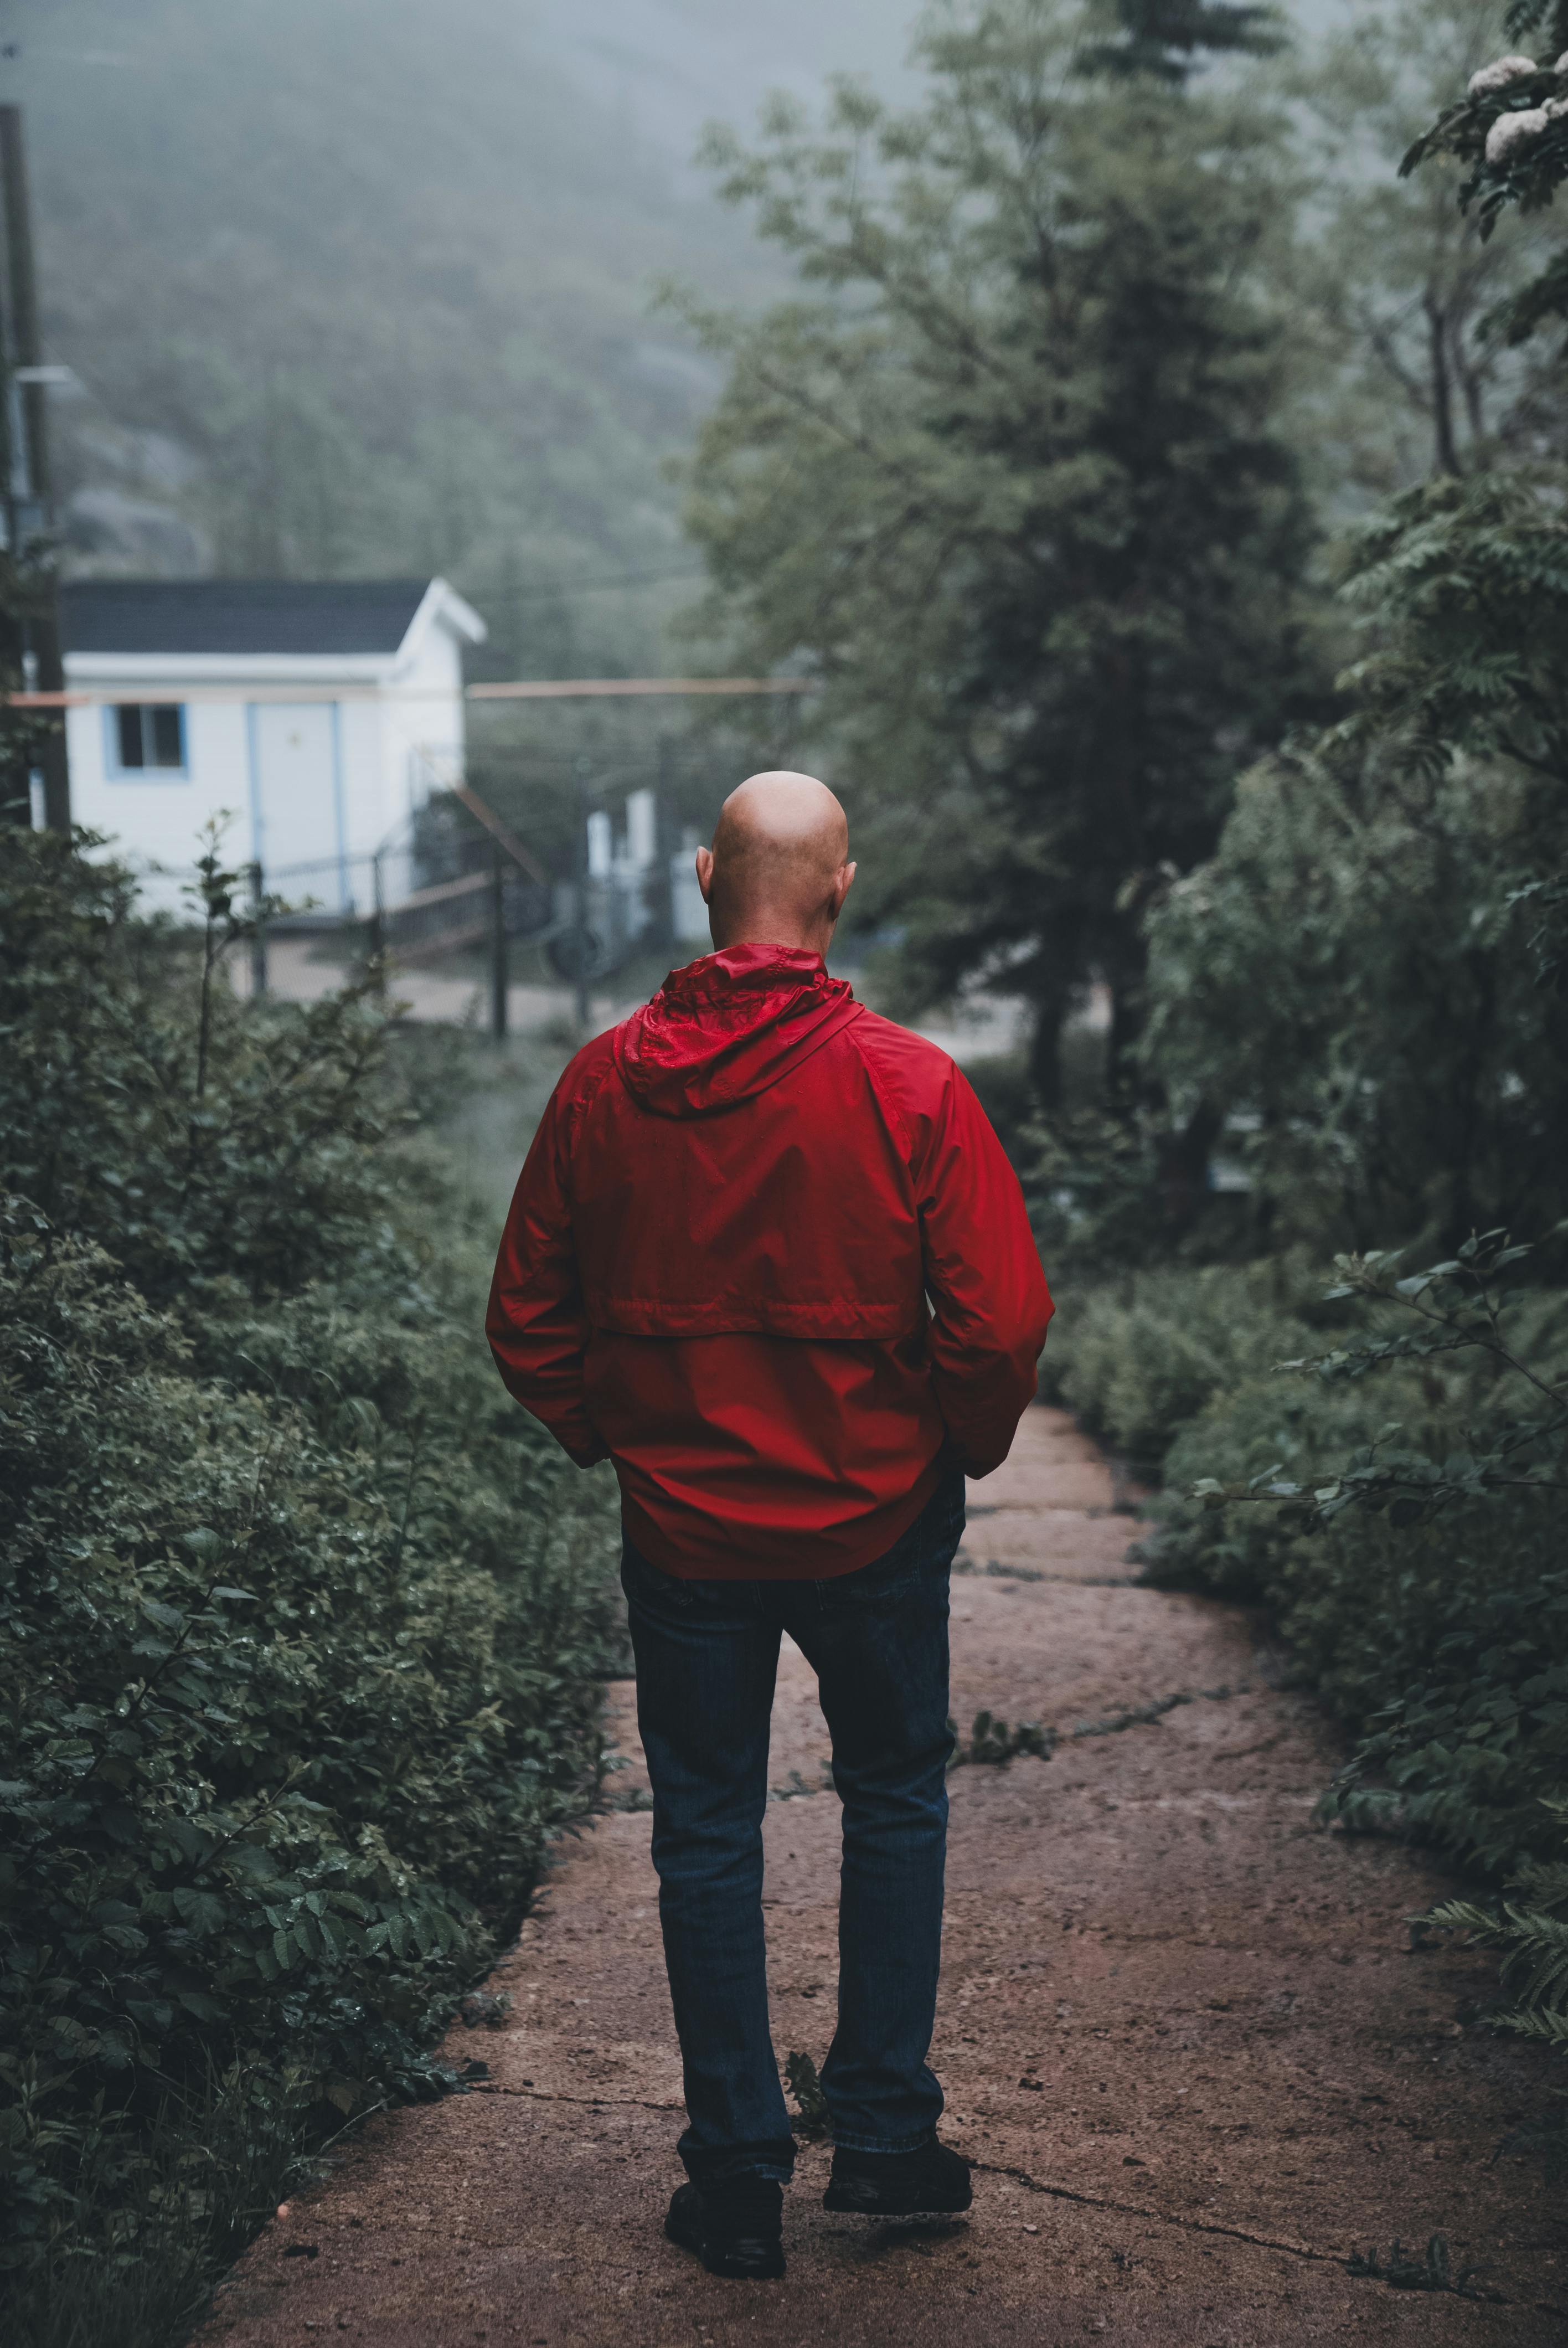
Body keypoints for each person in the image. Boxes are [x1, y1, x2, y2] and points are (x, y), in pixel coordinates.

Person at [487, 770, 1053, 2280]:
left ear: (700, 879)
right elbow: (998, 1324)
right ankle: (879, 2139)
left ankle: (736, 2176)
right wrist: (954, 1448)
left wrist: (618, 1438)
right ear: (842, 890)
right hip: (875, 1524)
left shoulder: (604, 1085)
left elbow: (525, 1317)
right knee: (896, 1799)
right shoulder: (910, 1084)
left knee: (708, 1832)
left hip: (685, 1545)